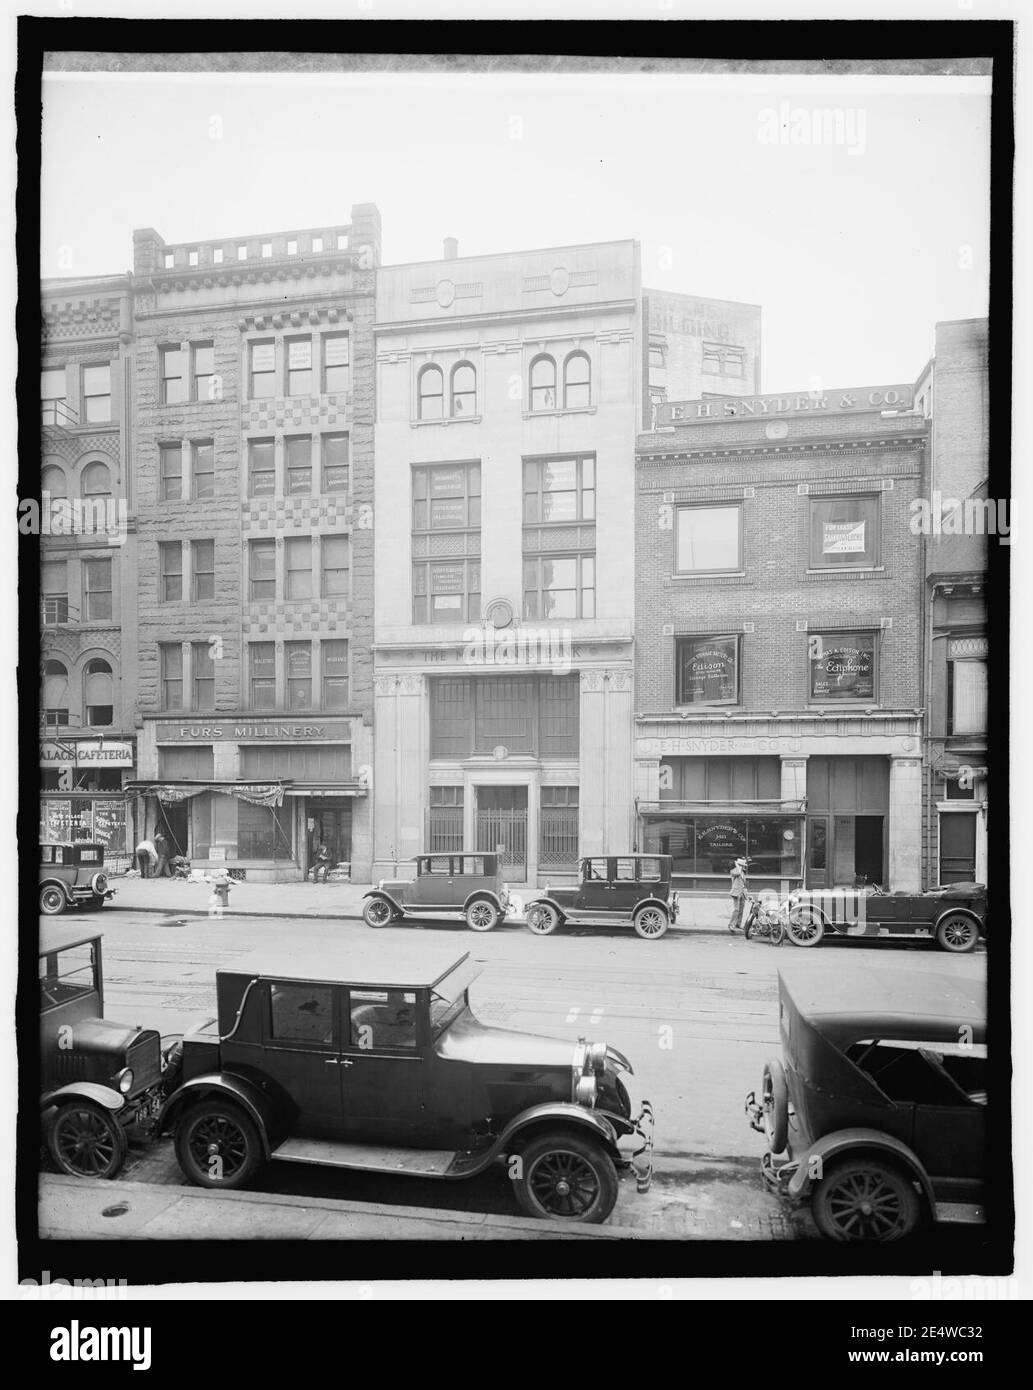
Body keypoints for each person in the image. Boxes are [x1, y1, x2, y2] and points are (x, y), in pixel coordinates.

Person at [728, 856, 748, 933]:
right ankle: (731, 925)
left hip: (742, 893)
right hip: (736, 893)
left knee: (741, 909)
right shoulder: (734, 871)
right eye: (743, 866)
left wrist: (747, 895)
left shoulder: (742, 873)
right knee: (736, 909)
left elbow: (743, 884)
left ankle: (738, 924)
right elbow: (737, 873)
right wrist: (737, 865)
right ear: (740, 865)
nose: (744, 867)